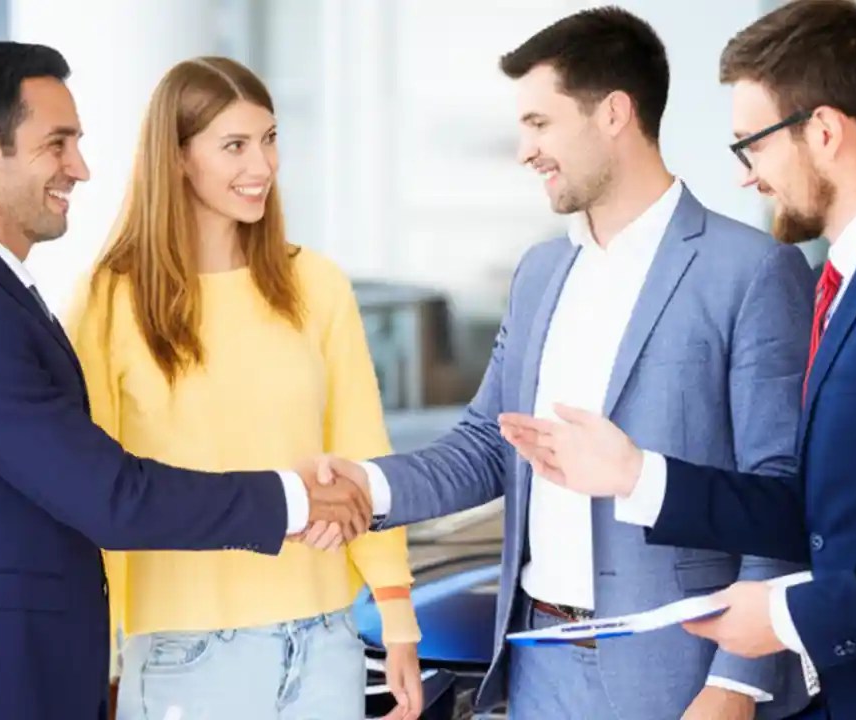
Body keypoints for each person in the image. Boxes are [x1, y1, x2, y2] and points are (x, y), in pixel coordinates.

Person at [498, 2, 856, 719]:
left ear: (825, 131)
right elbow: (826, 508)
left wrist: (785, 617)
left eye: (752, 144)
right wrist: (637, 476)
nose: (748, 177)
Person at [317, 8, 814, 719]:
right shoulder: (541, 272)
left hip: (680, 676)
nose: (526, 151)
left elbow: (779, 489)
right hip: (537, 666)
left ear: (613, 113)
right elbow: (486, 445)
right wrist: (364, 485)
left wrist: (737, 683)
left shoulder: (752, 271)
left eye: (540, 123)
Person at [0, 42, 371, 720]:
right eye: (57, 144)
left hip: (19, 672)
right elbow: (108, 495)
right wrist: (294, 499)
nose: (80, 167)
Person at [63, 56, 423, 720]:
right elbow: (94, 489)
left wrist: (396, 615)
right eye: (235, 145)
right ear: (177, 157)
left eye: (270, 138)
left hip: (325, 639)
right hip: (183, 650)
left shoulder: (316, 284)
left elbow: (362, 451)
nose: (263, 165)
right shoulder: (108, 300)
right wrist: (99, 656)